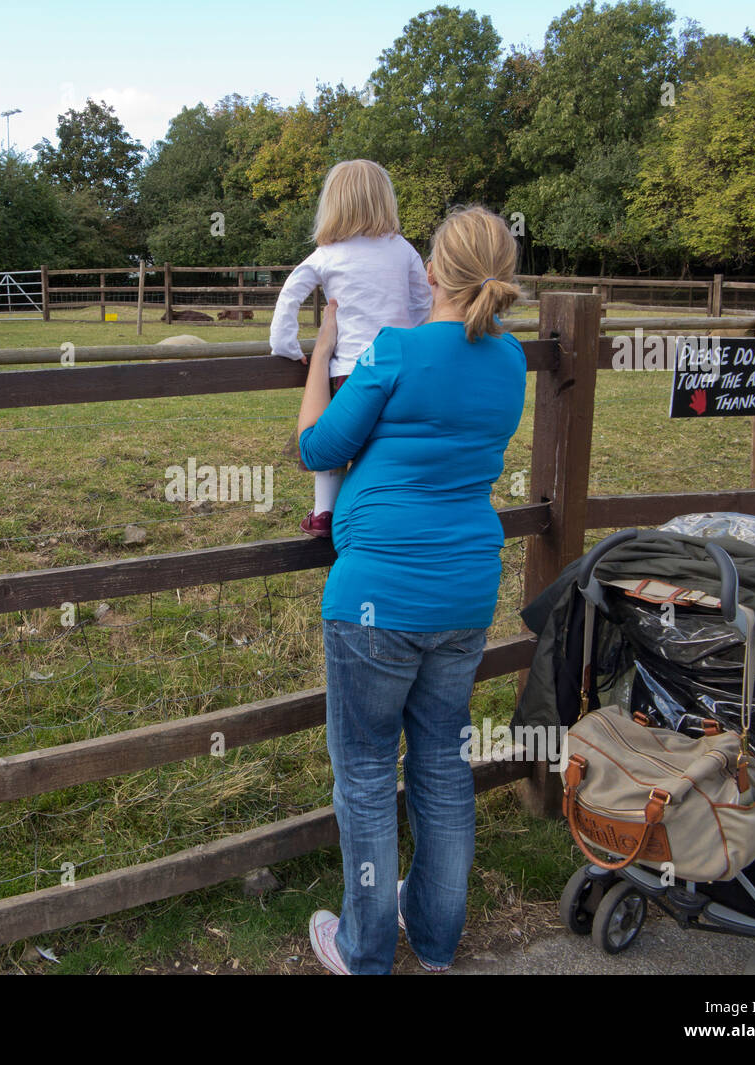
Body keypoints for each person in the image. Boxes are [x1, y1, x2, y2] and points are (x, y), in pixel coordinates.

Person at [296, 205, 528, 975]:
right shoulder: (512, 361)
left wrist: (321, 351)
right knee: (440, 763)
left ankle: (363, 950)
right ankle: (433, 939)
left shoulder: (395, 350)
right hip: (464, 593)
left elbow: (319, 446)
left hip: (378, 597)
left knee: (365, 773)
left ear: (431, 271)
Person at [269, 159, 432, 539]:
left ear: (334, 203)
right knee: (386, 443)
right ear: (384, 200)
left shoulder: (328, 253)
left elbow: (289, 294)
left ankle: (324, 512)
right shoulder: (403, 249)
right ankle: (387, 507)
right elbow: (424, 300)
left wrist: (285, 344)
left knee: (330, 438)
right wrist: (415, 332)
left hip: (347, 373)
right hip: (400, 371)